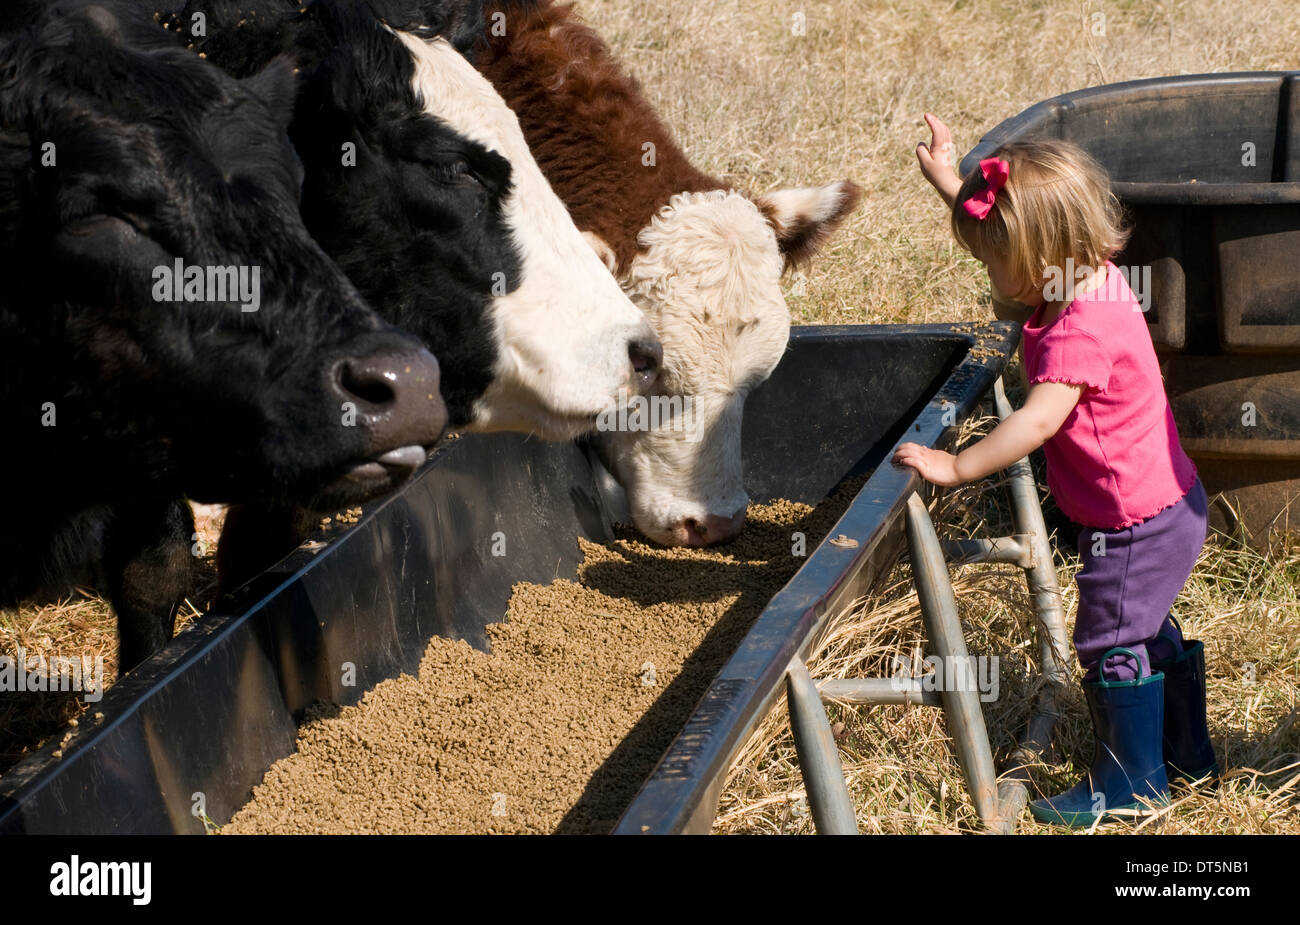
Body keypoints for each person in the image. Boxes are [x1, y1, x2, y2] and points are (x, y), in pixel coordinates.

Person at [895, 114, 1217, 827]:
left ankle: (1130, 783)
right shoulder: (1081, 274)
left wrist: (957, 464)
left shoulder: (1078, 326)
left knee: (1108, 640)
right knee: (1146, 626)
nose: (986, 270)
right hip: (1163, 505)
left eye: (991, 259)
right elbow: (1008, 229)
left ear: (1040, 255)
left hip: (1135, 524)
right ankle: (1186, 750)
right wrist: (950, 178)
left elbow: (1037, 420)